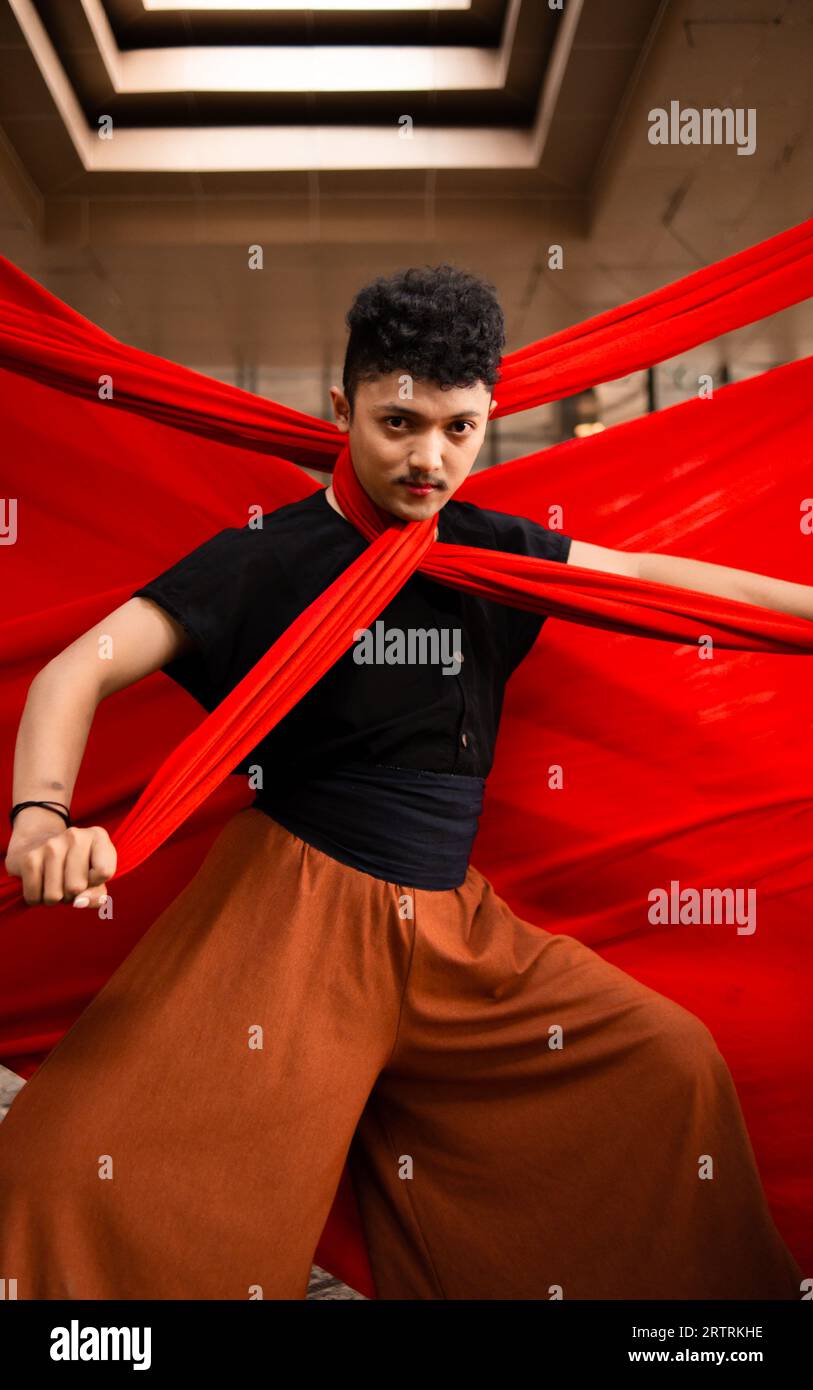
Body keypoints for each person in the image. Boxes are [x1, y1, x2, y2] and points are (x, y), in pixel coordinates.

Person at [0, 265, 805, 1301]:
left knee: (669, 1063)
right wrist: (37, 818)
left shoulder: (495, 553)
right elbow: (82, 667)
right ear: (340, 409)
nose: (430, 458)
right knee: (80, 1179)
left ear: (491, 417)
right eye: (398, 422)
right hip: (289, 923)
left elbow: (663, 583)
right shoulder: (269, 559)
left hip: (454, 935)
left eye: (460, 429)